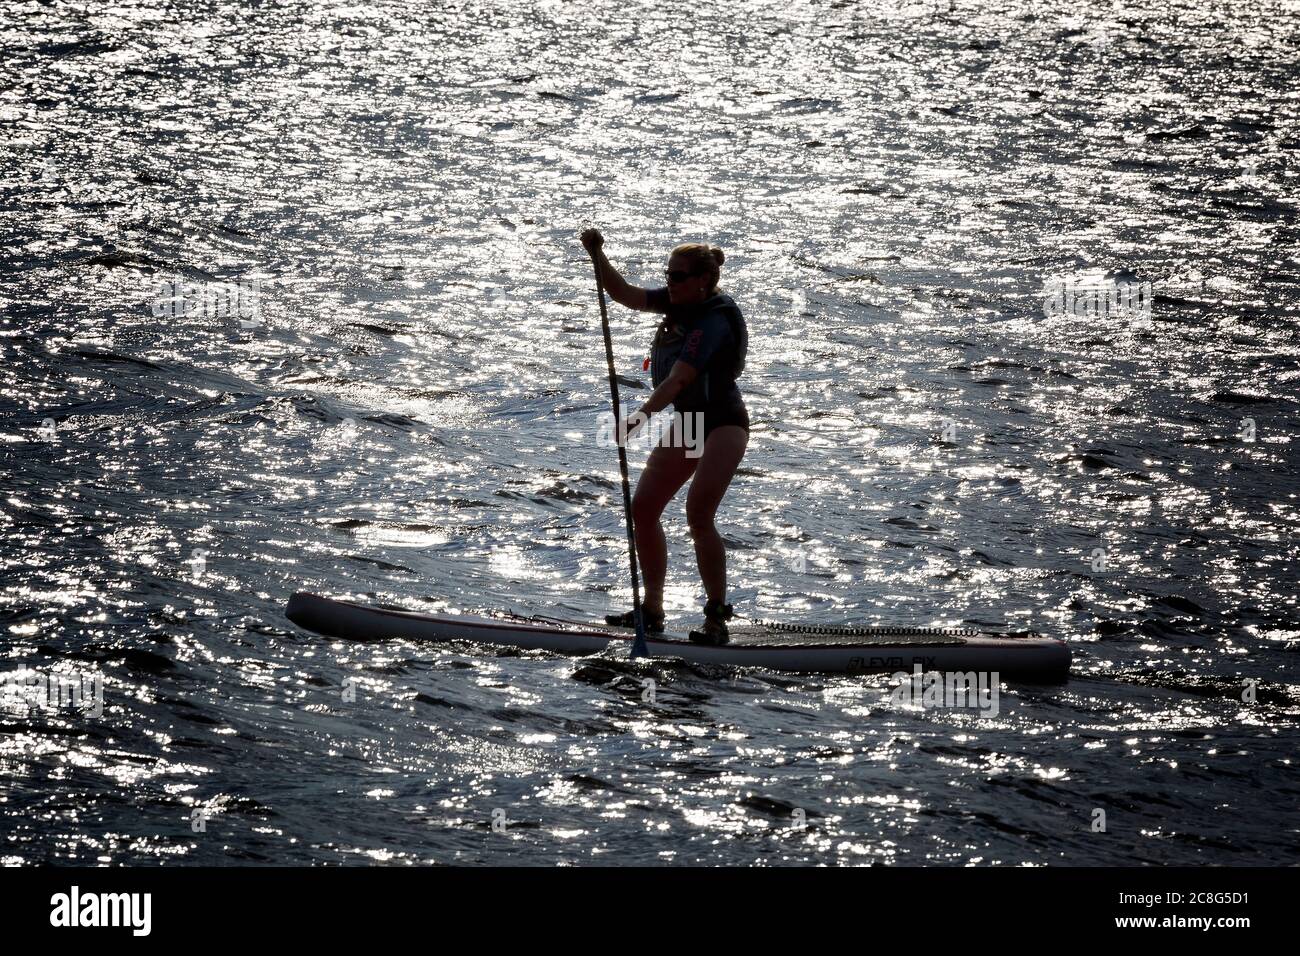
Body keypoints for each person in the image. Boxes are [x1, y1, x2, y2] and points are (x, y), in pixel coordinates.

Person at [580, 227, 750, 645]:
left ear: (702, 282)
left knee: (698, 514)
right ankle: (652, 609)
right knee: (644, 509)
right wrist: (596, 254)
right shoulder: (678, 301)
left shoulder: (712, 319)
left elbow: (677, 380)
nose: (669, 283)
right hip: (691, 423)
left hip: (722, 425)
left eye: (677, 276)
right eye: (668, 274)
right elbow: (626, 295)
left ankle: (715, 619)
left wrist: (637, 419)